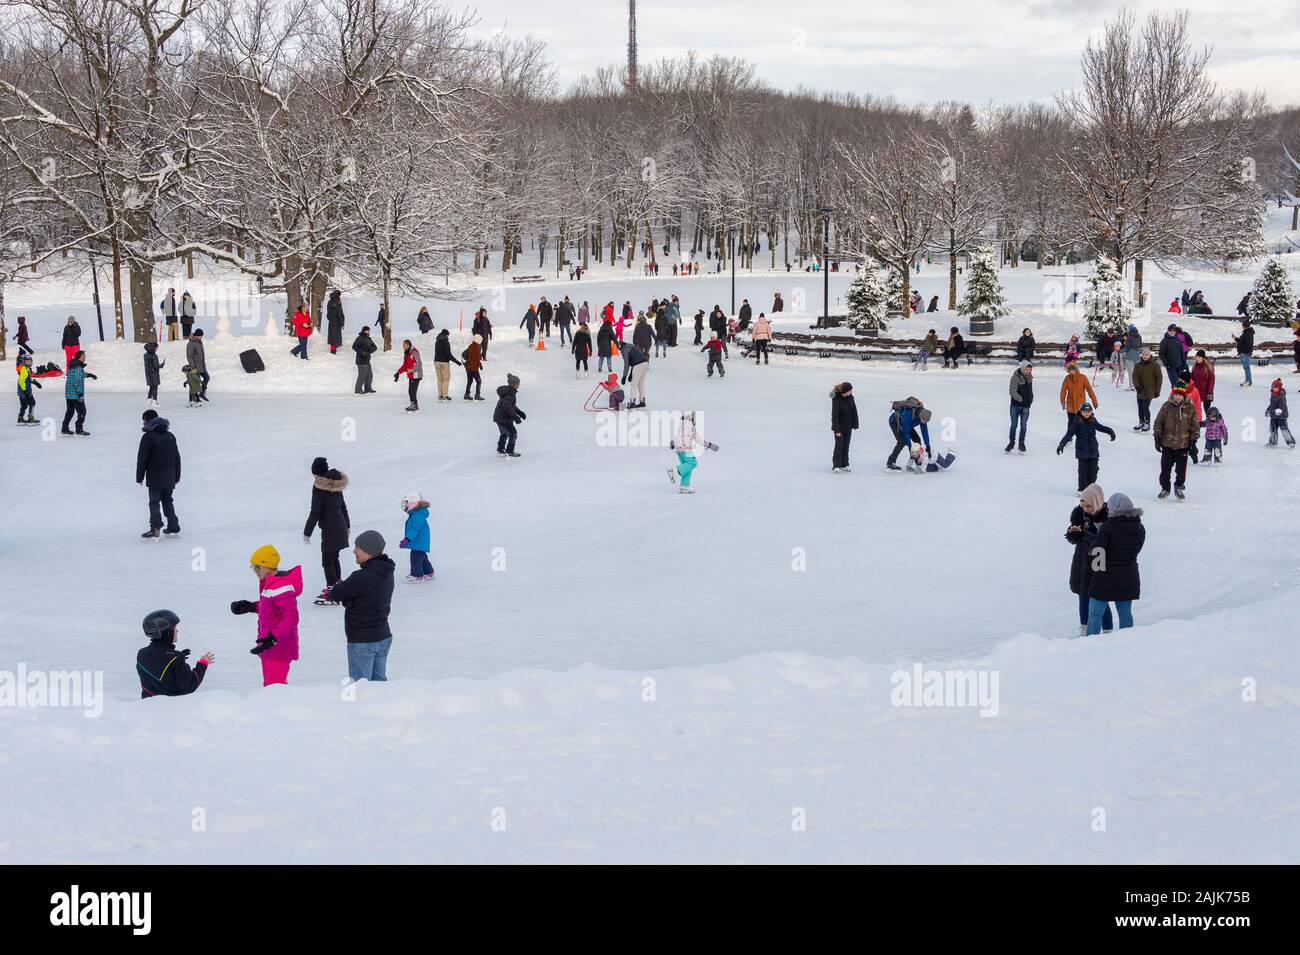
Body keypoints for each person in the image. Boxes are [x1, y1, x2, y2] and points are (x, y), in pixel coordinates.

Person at [230, 545, 303, 687]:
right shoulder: (270, 584)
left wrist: (273, 638)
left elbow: (291, 617)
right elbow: (270, 607)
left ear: (268, 566)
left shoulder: (280, 586)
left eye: (258, 567)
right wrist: (250, 606)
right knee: (269, 687)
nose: (255, 571)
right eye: (253, 567)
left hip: (278, 648)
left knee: (274, 689)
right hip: (268, 647)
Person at [1085, 492, 1145, 636]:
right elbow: (1136, 548)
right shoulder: (1139, 527)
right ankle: (1126, 641)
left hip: (1106, 577)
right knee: (1125, 613)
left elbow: (1098, 551)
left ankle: (1088, 643)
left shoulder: (1108, 527)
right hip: (1129, 576)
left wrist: (1091, 542)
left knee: (1094, 613)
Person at [1065, 484, 1112, 637]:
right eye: (1083, 505)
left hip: (1099, 560)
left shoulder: (1107, 516)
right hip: (1081, 559)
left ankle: (1108, 629)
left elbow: (1103, 541)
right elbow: (1074, 539)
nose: (1085, 509)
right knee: (1082, 593)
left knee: (1099, 595)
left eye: (1089, 506)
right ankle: (1084, 627)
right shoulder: (1078, 513)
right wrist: (1073, 532)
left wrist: (1085, 534)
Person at [137, 611, 213, 698]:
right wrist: (203, 664)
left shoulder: (141, 654)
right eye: (174, 627)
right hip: (171, 709)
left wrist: (178, 658)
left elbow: (157, 662)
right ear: (167, 632)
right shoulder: (176, 658)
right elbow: (189, 686)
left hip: (146, 707)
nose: (177, 630)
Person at [304, 457, 351, 599]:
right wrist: (347, 525)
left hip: (330, 527)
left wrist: (307, 531)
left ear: (316, 473)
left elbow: (315, 511)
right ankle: (337, 585)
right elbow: (343, 505)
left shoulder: (318, 485)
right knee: (334, 556)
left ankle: (332, 591)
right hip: (340, 523)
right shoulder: (335, 483)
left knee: (327, 560)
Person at [136, 409, 181, 539]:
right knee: (167, 500)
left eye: (144, 420)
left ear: (147, 420)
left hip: (155, 475)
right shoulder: (170, 435)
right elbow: (177, 457)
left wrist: (139, 477)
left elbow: (142, 458)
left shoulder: (148, 437)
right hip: (169, 475)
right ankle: (173, 526)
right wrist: (177, 476)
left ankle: (155, 528)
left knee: (154, 502)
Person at [1152, 384, 1198, 500]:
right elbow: (1159, 422)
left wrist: (1193, 441)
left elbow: (1194, 425)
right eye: (1176, 395)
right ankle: (1165, 488)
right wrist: (1157, 436)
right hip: (1167, 444)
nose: (1178, 397)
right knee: (1165, 469)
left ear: (1184, 396)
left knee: (1181, 470)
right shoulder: (1167, 406)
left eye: (1180, 395)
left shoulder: (1190, 407)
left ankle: (1178, 487)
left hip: (1183, 444)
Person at [1057, 402, 1116, 492]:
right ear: (1081, 412)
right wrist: (1062, 444)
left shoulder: (1093, 420)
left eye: (1088, 411)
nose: (1087, 413)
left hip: (1093, 450)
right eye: (1085, 411)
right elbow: (1069, 434)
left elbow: (1101, 427)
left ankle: (1090, 488)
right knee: (1083, 472)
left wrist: (1110, 431)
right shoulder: (1076, 422)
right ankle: (1082, 489)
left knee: (1094, 471)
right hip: (1082, 452)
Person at [667, 408, 716, 492]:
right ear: (691, 416)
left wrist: (672, 443)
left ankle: (685, 485)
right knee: (693, 463)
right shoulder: (690, 426)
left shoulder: (681, 425)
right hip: (686, 448)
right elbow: (698, 439)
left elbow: (678, 436)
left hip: (679, 449)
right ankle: (675, 470)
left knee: (687, 466)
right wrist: (709, 445)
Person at [886, 396, 931, 471]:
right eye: (923, 421)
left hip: (907, 425)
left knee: (917, 440)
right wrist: (910, 448)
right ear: (920, 417)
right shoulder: (909, 414)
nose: (924, 423)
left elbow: (924, 431)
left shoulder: (923, 416)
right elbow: (905, 432)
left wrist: (928, 445)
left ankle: (916, 460)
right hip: (895, 423)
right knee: (902, 442)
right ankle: (890, 462)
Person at [399, 495, 434, 581]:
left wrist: (407, 539)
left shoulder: (417, 516)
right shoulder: (417, 514)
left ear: (413, 504)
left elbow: (415, 529)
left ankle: (417, 575)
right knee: (422, 557)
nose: (405, 507)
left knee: (415, 558)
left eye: (407, 505)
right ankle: (429, 572)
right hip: (419, 542)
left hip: (419, 541)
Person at [61, 350, 95, 436]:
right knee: (82, 411)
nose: (85, 358)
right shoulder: (79, 368)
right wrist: (80, 393)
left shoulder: (73, 366)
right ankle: (79, 429)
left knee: (70, 411)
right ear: (80, 357)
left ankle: (64, 428)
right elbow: (76, 381)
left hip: (69, 394)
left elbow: (77, 375)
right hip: (76, 395)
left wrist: (89, 375)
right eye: (84, 356)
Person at [1131, 347, 1163, 432]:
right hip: (1140, 390)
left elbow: (1159, 378)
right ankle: (1141, 422)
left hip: (1150, 390)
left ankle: (1147, 423)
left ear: (1149, 355)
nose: (1145, 356)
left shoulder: (1155, 365)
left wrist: (1157, 391)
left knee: (1145, 406)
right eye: (1143, 355)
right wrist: (1137, 386)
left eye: (1146, 355)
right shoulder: (1138, 365)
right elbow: (1135, 376)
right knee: (1140, 407)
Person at [493, 373, 526, 456]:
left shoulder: (509, 392)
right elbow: (508, 408)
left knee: (505, 433)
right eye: (518, 383)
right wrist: (516, 417)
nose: (519, 385)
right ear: (514, 385)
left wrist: (520, 412)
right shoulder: (509, 394)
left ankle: (500, 449)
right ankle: (509, 451)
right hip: (503, 418)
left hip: (499, 417)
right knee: (513, 433)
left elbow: (511, 406)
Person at [830, 381, 859, 473]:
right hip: (839, 428)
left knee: (846, 446)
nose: (851, 392)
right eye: (850, 390)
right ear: (845, 391)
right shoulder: (836, 399)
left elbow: (854, 411)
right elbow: (834, 415)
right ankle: (836, 465)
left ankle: (845, 464)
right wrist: (837, 430)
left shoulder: (851, 398)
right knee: (839, 446)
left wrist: (855, 424)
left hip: (848, 426)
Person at [1059, 361, 1098, 426]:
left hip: (1081, 406)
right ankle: (1069, 436)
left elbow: (1090, 390)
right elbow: (1063, 391)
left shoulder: (1083, 377)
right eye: (1070, 370)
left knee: (1081, 425)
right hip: (1070, 406)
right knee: (1071, 425)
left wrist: (1095, 402)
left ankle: (1082, 436)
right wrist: (1062, 401)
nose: (1072, 371)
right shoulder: (1067, 378)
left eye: (1073, 369)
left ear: (1076, 369)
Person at [1007, 361, 1033, 453]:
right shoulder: (1015, 377)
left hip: (1026, 407)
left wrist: (1030, 399)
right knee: (1014, 425)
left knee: (1023, 426)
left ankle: (1021, 443)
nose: (1028, 371)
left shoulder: (1030, 378)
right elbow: (1012, 391)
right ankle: (1011, 443)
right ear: (1022, 368)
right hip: (1015, 406)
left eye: (1030, 369)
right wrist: (1021, 399)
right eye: (1027, 369)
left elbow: (1030, 391)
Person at [394, 339, 423, 413]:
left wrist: (412, 370)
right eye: (403, 345)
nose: (403, 346)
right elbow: (405, 365)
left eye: (404, 345)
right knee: (410, 391)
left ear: (408, 345)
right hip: (411, 375)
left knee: (412, 391)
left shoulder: (414, 351)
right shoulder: (406, 353)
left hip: (416, 375)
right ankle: (414, 404)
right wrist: (398, 372)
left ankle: (414, 405)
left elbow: (419, 363)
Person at [431, 328, 461, 401]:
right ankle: (445, 395)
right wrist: (456, 361)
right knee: (446, 379)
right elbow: (448, 354)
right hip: (444, 363)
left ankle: (440, 395)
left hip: (436, 362)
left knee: (440, 379)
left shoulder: (437, 341)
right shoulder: (445, 342)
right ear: (446, 335)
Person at [1266, 378, 1296, 448]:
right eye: (1273, 388)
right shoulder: (1273, 394)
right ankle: (1273, 442)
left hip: (1282, 416)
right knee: (1272, 430)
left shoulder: (1281, 396)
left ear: (1279, 388)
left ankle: (1290, 442)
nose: (1274, 389)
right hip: (1273, 416)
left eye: (1275, 388)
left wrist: (1279, 410)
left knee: (1284, 429)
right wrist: (1268, 410)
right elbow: (1271, 404)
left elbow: (1282, 405)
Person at [1189, 350, 1215, 419]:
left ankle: (1209, 422)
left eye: (1199, 357)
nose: (1197, 358)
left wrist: (1210, 391)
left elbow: (1211, 380)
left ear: (1203, 358)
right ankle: (1196, 422)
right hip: (1197, 392)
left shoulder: (1208, 366)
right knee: (1196, 408)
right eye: (1197, 357)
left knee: (1207, 409)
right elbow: (1192, 378)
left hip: (1207, 392)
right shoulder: (1195, 366)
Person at [622, 342, 649, 406]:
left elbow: (627, 364)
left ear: (622, 346)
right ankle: (642, 401)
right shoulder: (634, 348)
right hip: (645, 363)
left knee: (634, 384)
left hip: (638, 365)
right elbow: (635, 360)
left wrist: (624, 376)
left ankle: (632, 402)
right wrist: (631, 374)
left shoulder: (625, 350)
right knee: (640, 384)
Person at [15, 354, 40, 424]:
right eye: (27, 362)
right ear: (24, 362)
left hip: (21, 391)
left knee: (24, 405)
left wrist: (34, 382)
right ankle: (31, 418)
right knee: (32, 403)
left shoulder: (26, 369)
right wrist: (25, 390)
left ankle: (20, 418)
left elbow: (26, 379)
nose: (29, 363)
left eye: (30, 361)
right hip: (25, 391)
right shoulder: (24, 369)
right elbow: (21, 381)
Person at [352, 326, 377, 394]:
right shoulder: (359, 338)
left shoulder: (369, 339)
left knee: (369, 375)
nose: (368, 332)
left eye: (369, 331)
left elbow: (375, 347)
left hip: (367, 360)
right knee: (362, 375)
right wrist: (363, 352)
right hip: (361, 360)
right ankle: (358, 390)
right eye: (366, 331)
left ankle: (368, 388)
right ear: (363, 331)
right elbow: (354, 347)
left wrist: (370, 350)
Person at [185, 327, 209, 400]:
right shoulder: (191, 344)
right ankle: (193, 397)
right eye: (200, 336)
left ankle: (201, 393)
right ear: (196, 335)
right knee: (195, 383)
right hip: (195, 367)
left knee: (207, 378)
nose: (201, 337)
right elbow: (189, 356)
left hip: (201, 366)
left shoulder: (199, 342)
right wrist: (193, 367)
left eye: (201, 336)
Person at [1232, 319, 1254, 387]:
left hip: (1246, 353)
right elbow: (1242, 342)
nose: (1242, 327)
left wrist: (1243, 352)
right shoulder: (1246, 333)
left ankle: (1249, 381)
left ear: (1244, 326)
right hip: (1244, 353)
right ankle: (1247, 380)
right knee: (1246, 367)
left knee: (1246, 367)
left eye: (1242, 326)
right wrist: (1235, 338)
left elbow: (1248, 345)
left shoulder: (1248, 334)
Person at [463, 333, 485, 400]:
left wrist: (480, 365)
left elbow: (473, 358)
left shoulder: (471, 346)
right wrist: (477, 367)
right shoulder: (476, 347)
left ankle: (466, 395)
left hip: (468, 367)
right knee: (479, 381)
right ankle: (477, 395)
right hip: (473, 367)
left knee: (470, 381)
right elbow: (476, 359)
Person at [143, 341, 164, 405]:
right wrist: (162, 365)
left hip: (148, 373)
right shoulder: (154, 356)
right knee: (155, 387)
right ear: (154, 348)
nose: (157, 349)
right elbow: (156, 366)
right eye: (156, 348)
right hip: (154, 373)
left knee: (151, 387)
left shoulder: (145, 355)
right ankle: (155, 400)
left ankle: (149, 399)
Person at [1122, 324, 1143, 390]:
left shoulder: (1129, 337)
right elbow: (1140, 345)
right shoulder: (1139, 336)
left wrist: (1120, 350)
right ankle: (1138, 385)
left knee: (1131, 371)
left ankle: (1131, 386)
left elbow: (1127, 347)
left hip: (1130, 356)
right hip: (1137, 355)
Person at [325, 289, 345, 355]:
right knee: (335, 336)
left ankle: (333, 349)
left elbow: (328, 314)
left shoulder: (329, 302)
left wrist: (331, 319)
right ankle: (333, 351)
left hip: (332, 322)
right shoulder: (337, 302)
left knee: (332, 336)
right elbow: (340, 313)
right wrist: (342, 322)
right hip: (337, 322)